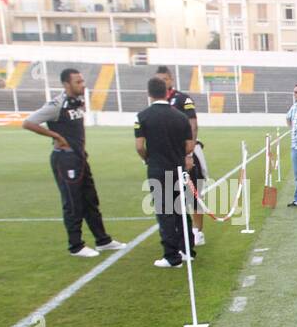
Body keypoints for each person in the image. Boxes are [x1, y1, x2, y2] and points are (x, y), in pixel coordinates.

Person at [22, 68, 125, 257]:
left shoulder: (78, 102)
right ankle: (76, 246)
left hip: (80, 157)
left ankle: (103, 240)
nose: (83, 85)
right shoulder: (56, 104)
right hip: (65, 159)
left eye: (82, 81)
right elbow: (28, 123)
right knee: (72, 202)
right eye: (78, 82)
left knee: (90, 200)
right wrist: (54, 135)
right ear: (66, 84)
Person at [135, 76, 196, 268]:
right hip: (177, 167)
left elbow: (139, 146)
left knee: (164, 212)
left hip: (158, 169)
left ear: (149, 93)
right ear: (167, 92)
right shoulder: (180, 117)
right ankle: (187, 250)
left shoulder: (143, 116)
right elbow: (189, 145)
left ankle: (171, 256)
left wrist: (147, 158)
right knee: (180, 209)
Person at [154, 65, 208, 247]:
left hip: (185, 153)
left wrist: (189, 152)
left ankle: (198, 232)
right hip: (168, 157)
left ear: (171, 80)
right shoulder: (155, 102)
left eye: (164, 79)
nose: (162, 83)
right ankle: (178, 232)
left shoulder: (183, 99)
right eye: (158, 80)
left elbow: (193, 124)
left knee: (194, 193)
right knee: (171, 196)